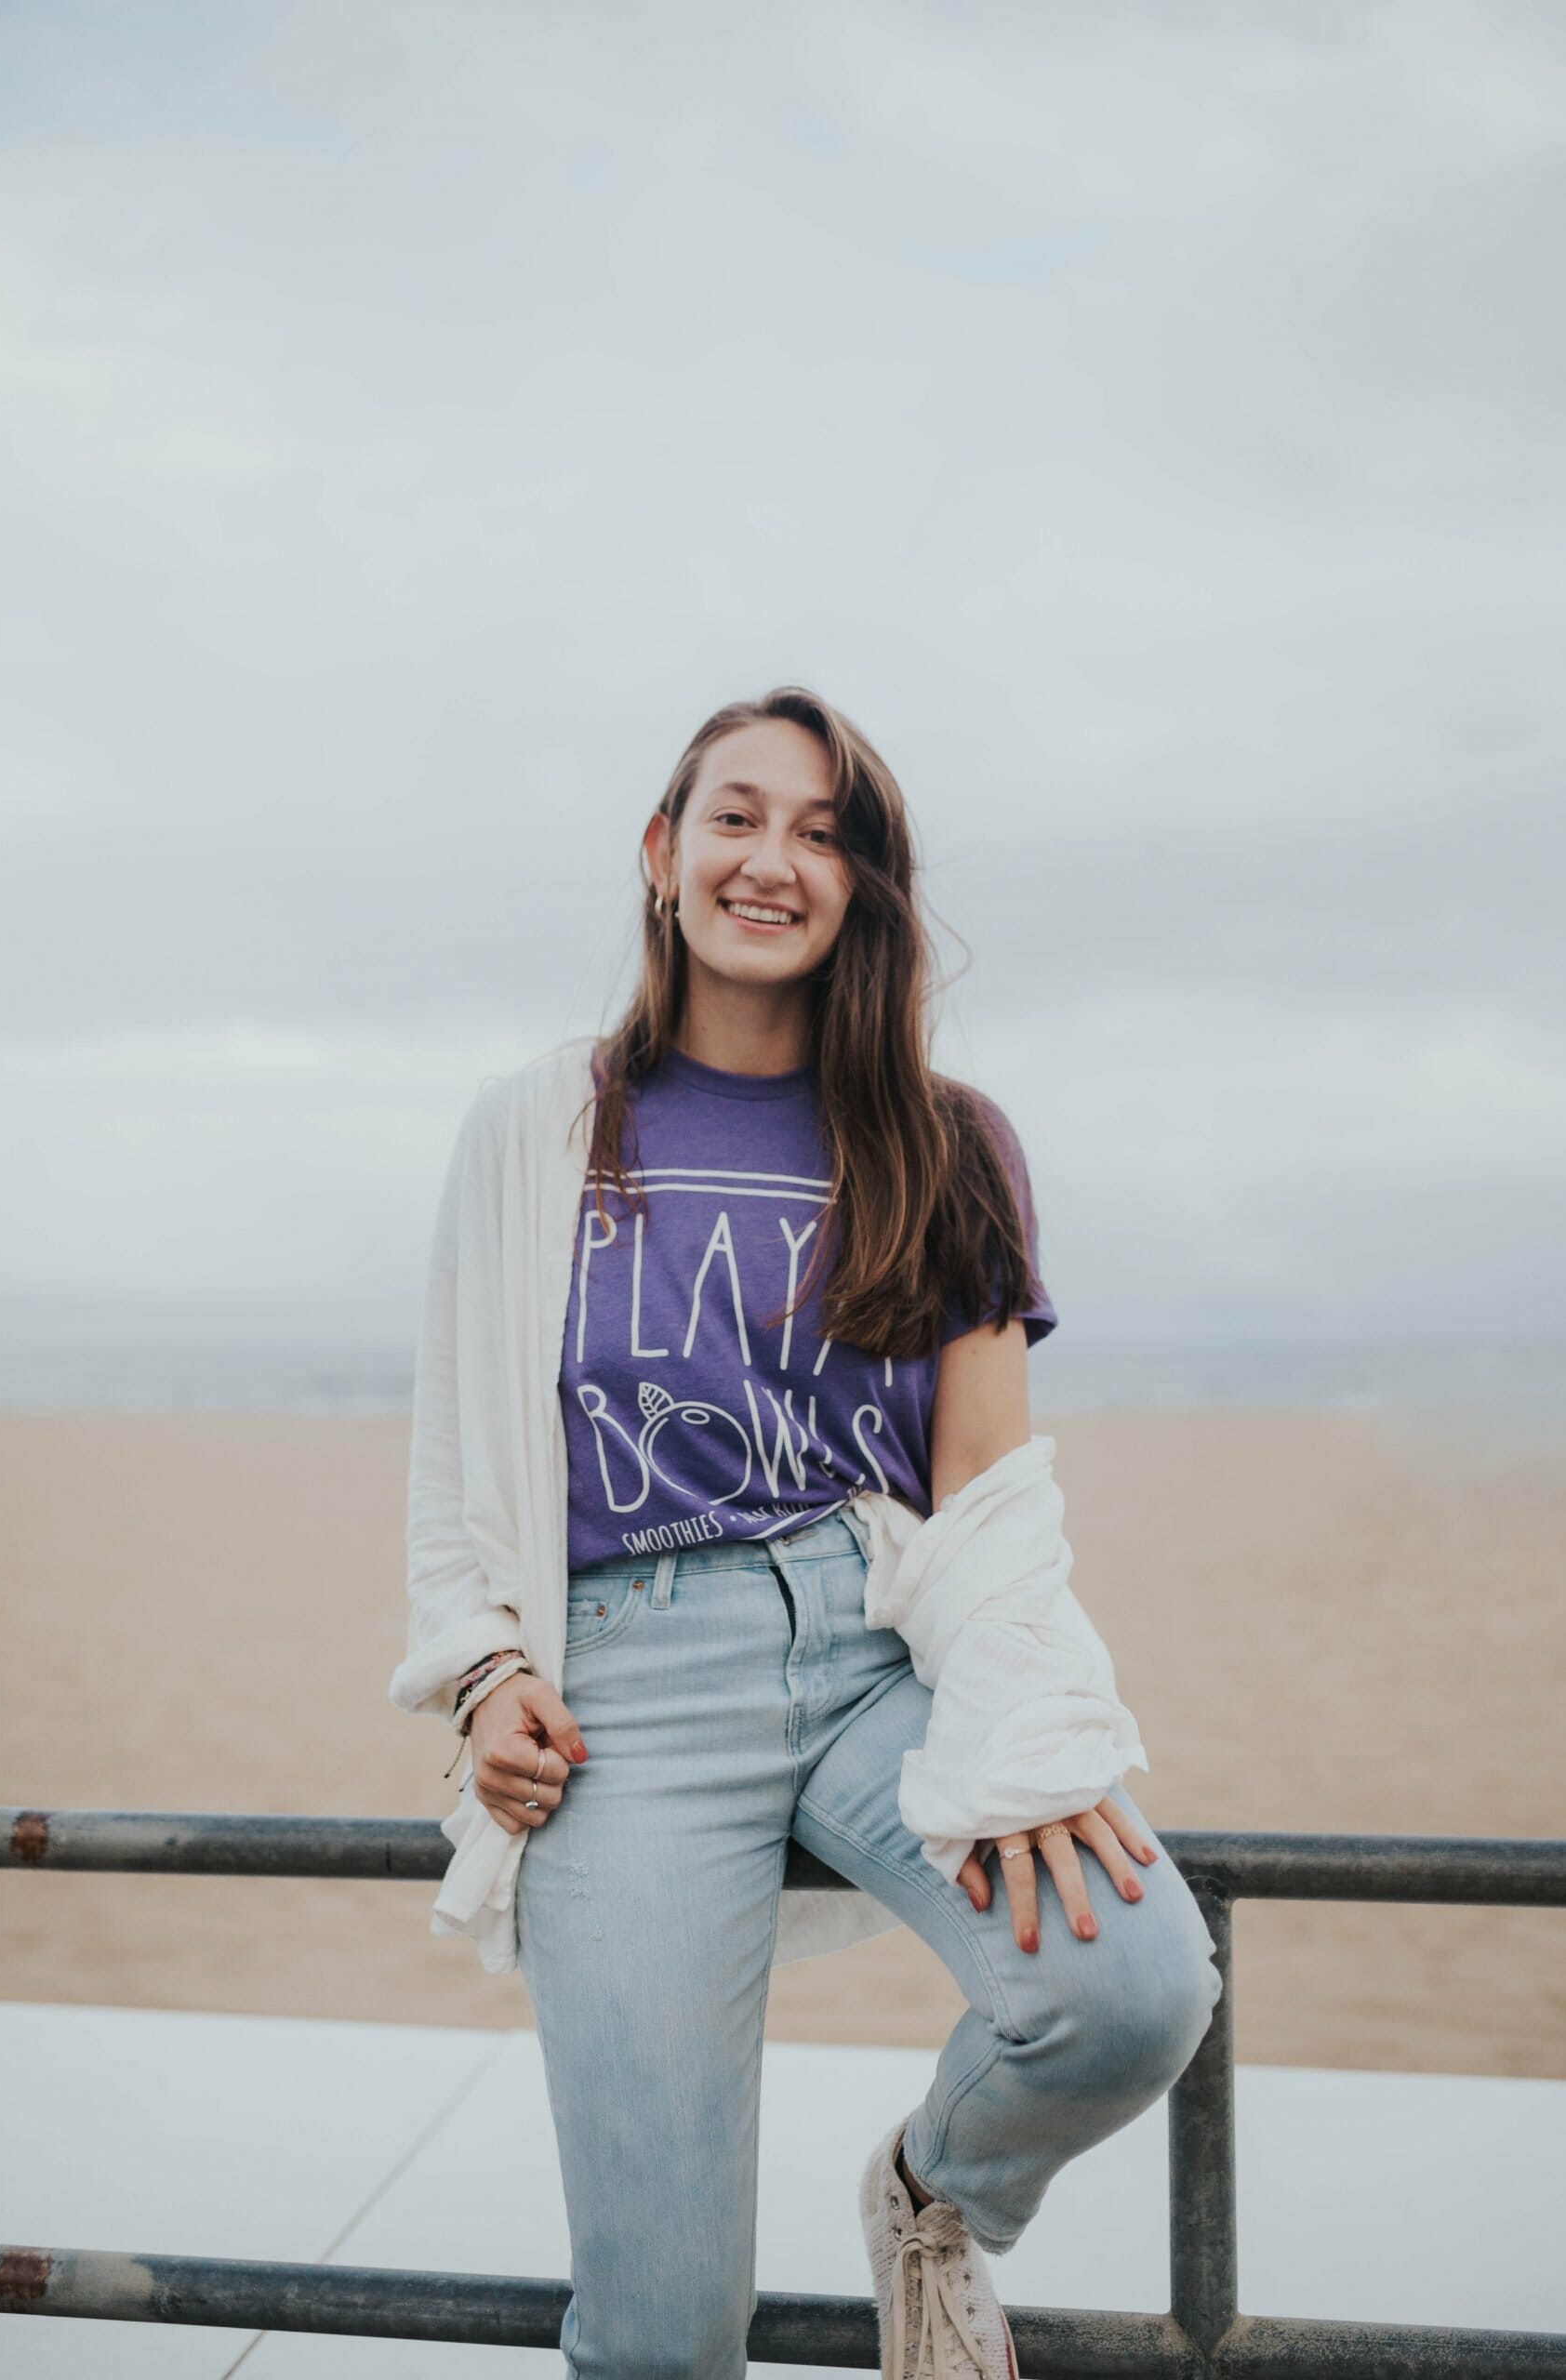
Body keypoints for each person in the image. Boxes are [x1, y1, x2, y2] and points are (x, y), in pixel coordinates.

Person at [409, 686, 1223, 2380]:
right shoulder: (536, 1124)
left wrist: (1034, 1722)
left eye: (825, 832)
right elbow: (457, 1459)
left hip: (881, 1653)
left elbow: (990, 1498)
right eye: (738, 815)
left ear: (866, 887)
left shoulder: (948, 1140)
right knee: (659, 2333)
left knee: (1133, 1985)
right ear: (663, 854)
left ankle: (933, 2198)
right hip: (627, 1692)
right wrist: (488, 1676)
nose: (774, 859)